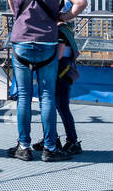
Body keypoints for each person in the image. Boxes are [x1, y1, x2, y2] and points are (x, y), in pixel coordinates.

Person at [6, 0, 87, 161]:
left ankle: (23, 147)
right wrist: (65, 16)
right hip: (47, 44)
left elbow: (13, 7)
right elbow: (81, 2)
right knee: (47, 97)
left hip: (21, 43)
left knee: (23, 96)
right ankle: (50, 148)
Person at [34, 17, 81, 155]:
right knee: (59, 107)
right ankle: (57, 138)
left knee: (58, 106)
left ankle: (70, 140)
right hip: (63, 73)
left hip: (59, 72)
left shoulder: (60, 31)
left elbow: (59, 54)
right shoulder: (65, 30)